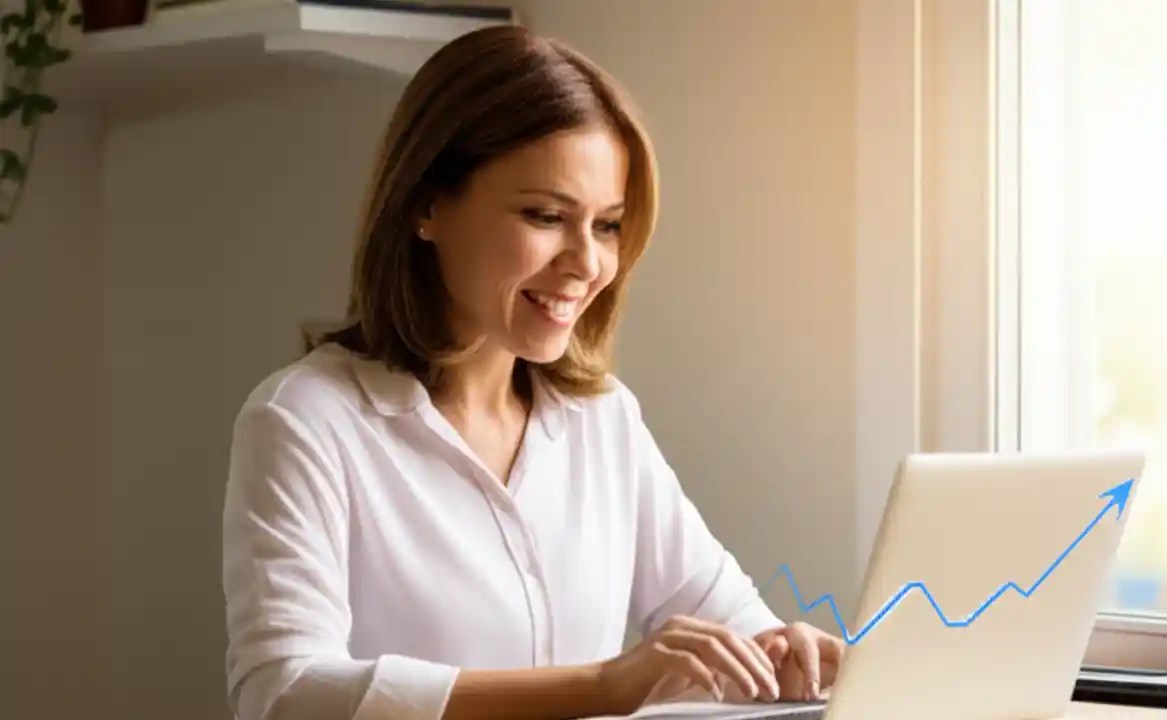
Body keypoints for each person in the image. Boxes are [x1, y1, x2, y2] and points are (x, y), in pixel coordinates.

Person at [221, 25, 843, 720]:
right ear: (427, 205)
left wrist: (784, 656)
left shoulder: (602, 418)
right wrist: (602, 686)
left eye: (607, 225)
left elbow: (719, 617)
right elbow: (283, 693)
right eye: (546, 216)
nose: (586, 263)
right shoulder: (307, 420)